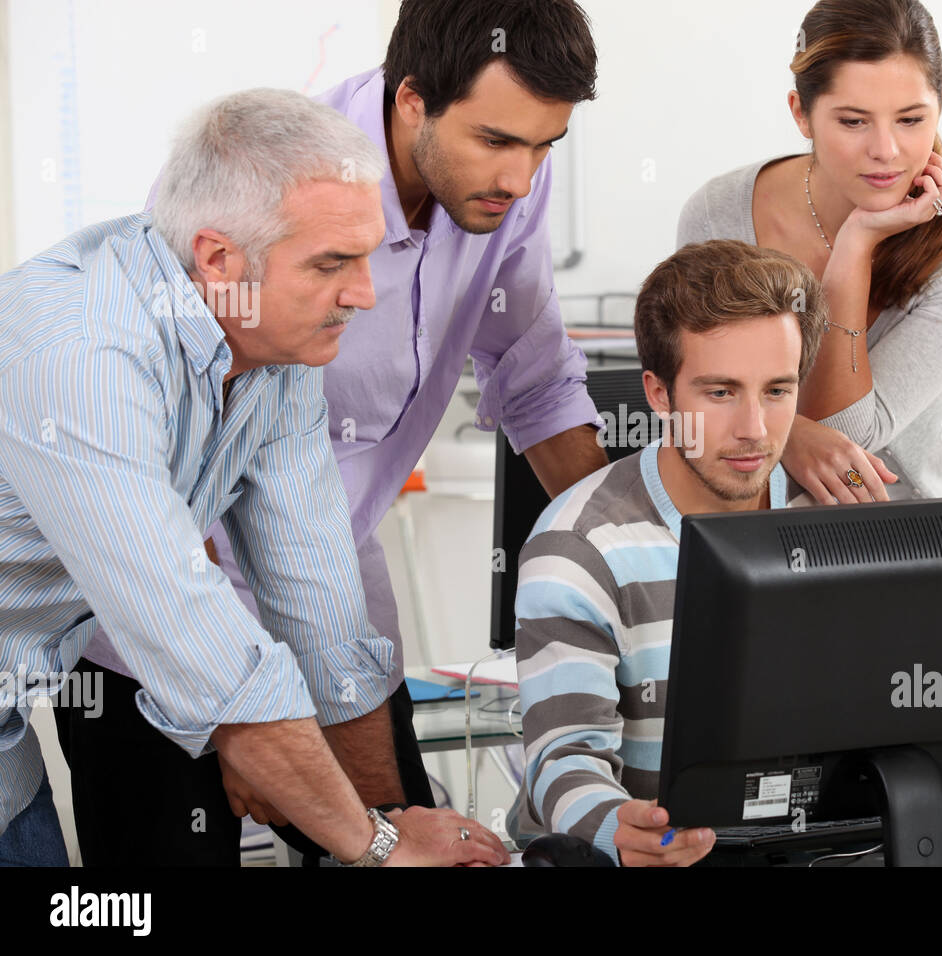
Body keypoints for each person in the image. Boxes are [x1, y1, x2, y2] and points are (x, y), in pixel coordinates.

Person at [70, 0, 609, 862]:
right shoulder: (263, 185)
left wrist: (633, 569)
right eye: (498, 141)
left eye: (546, 146)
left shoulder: (503, 191)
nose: (521, 176)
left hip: (329, 590)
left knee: (408, 847)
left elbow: (538, 382)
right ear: (411, 102)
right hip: (157, 625)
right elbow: (159, 476)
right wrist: (235, 711)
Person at [0, 87, 508, 868]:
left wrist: (391, 820)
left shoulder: (273, 351)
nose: (363, 295)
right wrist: (380, 847)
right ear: (218, 258)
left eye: (366, 255)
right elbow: (206, 658)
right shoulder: (84, 356)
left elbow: (325, 619)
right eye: (332, 264)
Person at [676, 0, 942, 865]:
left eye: (913, 119)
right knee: (775, 829)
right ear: (799, 114)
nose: (887, 152)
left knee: (914, 837)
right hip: (792, 564)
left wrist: (859, 245)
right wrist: (790, 440)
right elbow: (718, 398)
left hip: (940, 561)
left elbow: (854, 428)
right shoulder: (721, 211)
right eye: (852, 121)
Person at [507, 240, 826, 866]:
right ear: (659, 395)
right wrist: (616, 828)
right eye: (720, 392)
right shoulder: (577, 549)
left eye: (777, 391)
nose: (754, 430)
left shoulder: (833, 515)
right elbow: (563, 759)